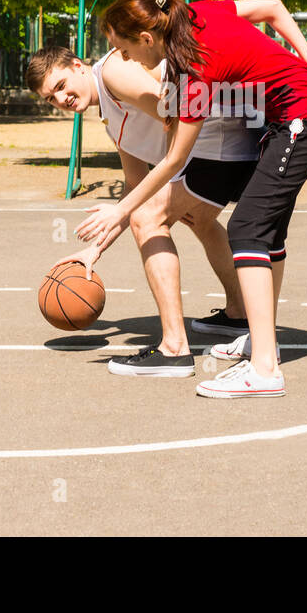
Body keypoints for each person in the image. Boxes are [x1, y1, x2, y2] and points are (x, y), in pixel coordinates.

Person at [74, 0, 307, 399]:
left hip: (304, 118)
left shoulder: (195, 70)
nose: (125, 59)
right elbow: (273, 7)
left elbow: (172, 161)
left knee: (248, 229)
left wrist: (121, 211)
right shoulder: (196, 13)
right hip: (288, 118)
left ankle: (265, 371)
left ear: (148, 38)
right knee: (266, 233)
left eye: (124, 49)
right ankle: (261, 341)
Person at [29, 45, 256, 376]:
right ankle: (239, 315)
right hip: (219, 144)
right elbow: (135, 187)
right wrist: (94, 250)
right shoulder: (112, 120)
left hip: (218, 138)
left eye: (61, 85)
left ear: (78, 66)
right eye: (51, 98)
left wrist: (138, 203)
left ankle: (175, 349)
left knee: (148, 218)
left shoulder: (111, 72)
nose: (61, 99)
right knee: (198, 219)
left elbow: (174, 108)